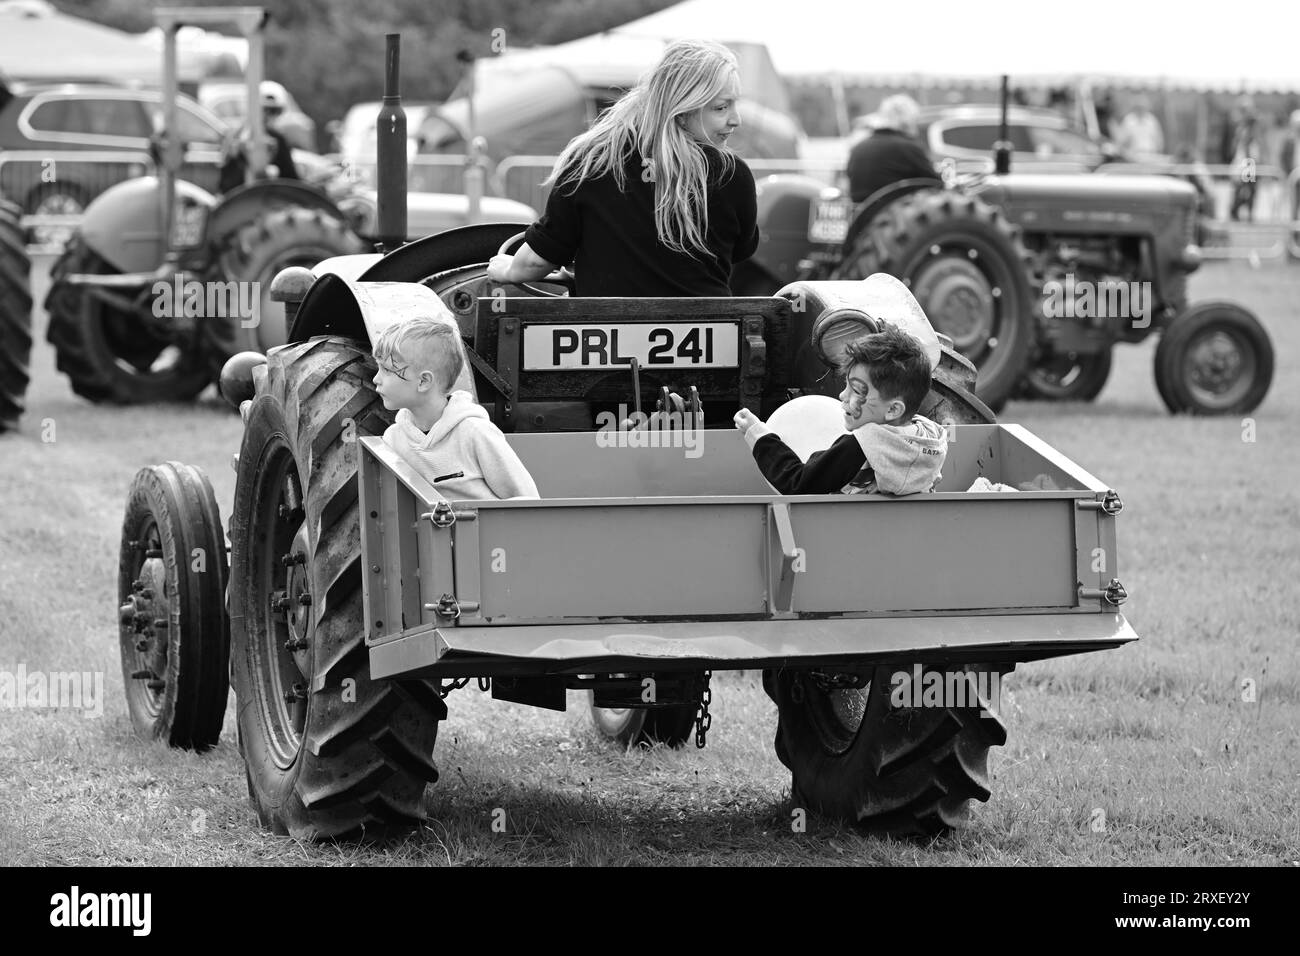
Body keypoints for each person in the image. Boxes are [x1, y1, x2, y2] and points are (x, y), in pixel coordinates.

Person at [485, 39, 759, 296]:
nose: (736, 120)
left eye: (734, 105)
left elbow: (536, 262)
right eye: (722, 108)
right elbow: (740, 251)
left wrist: (508, 269)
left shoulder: (593, 162)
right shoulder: (733, 175)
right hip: (711, 338)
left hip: (602, 340)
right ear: (682, 109)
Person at [733, 324, 948, 495]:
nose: (842, 396)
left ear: (893, 409)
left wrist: (760, 436)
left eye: (855, 390)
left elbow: (797, 484)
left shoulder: (860, 447)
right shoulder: (930, 438)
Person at [373, 316, 539, 501]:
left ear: (423, 381)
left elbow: (526, 500)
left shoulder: (475, 433)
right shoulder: (393, 439)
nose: (376, 379)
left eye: (386, 370)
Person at [844, 94, 936, 204]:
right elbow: (935, 183)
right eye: (915, 120)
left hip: (861, 216)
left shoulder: (858, 147)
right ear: (908, 120)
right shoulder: (907, 147)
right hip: (893, 216)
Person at [219, 82, 301, 193]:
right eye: (265, 110)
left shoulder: (277, 138)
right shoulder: (236, 137)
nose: (268, 115)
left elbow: (290, 177)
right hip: (245, 197)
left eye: (274, 111)